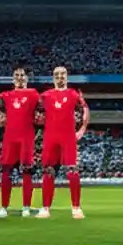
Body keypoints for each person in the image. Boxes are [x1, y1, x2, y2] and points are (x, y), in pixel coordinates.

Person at [39, 66, 89, 219]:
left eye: (63, 74)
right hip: (50, 137)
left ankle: (76, 207)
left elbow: (85, 109)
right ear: (53, 77)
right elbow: (34, 112)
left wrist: (82, 129)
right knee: (48, 171)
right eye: (57, 74)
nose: (60, 76)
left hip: (68, 137)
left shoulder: (74, 94)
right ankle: (46, 208)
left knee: (72, 171)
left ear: (67, 77)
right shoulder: (45, 95)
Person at [0, 67, 41, 218]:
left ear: (27, 78)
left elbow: (44, 107)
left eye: (22, 75)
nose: (20, 77)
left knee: (27, 170)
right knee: (6, 171)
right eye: (17, 75)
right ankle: (3, 208)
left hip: (26, 136)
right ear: (12, 78)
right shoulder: (6, 95)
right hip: (10, 137)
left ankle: (26, 207)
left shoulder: (33, 94)